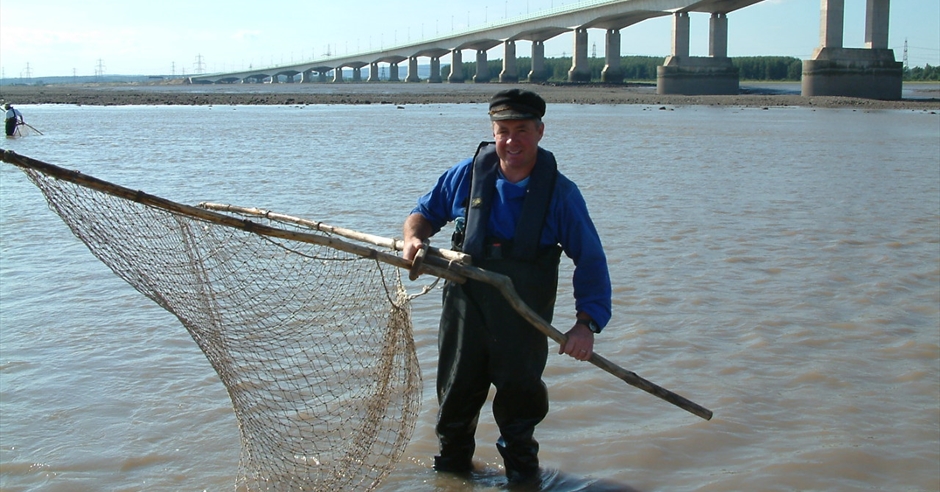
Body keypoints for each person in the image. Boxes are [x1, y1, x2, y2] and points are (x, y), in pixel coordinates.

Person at [402, 88, 612, 484]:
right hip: (465, 317)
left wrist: (586, 324)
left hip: (523, 324)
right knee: (453, 415)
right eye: (503, 131)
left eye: (522, 130)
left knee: (519, 423)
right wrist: (415, 238)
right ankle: (451, 478)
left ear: (540, 132)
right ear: (492, 131)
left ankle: (523, 480)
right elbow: (422, 214)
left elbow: (591, 259)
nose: (512, 141)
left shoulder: (561, 194)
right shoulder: (466, 174)